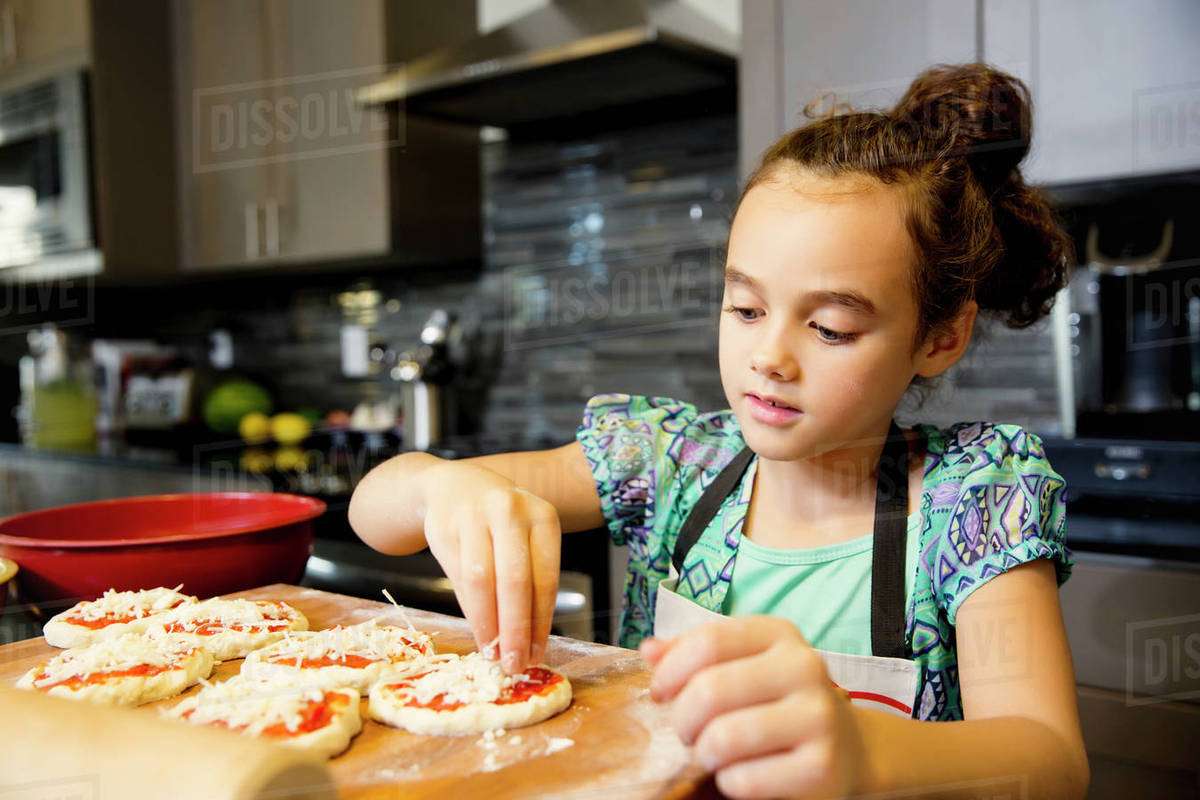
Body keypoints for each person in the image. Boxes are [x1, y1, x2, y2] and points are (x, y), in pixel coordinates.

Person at [349, 62, 1089, 800]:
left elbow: (1050, 763)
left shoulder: (975, 503)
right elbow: (374, 513)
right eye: (745, 309)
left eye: (830, 328)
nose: (769, 357)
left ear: (938, 339)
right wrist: (434, 486)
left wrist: (866, 754)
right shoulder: (671, 462)